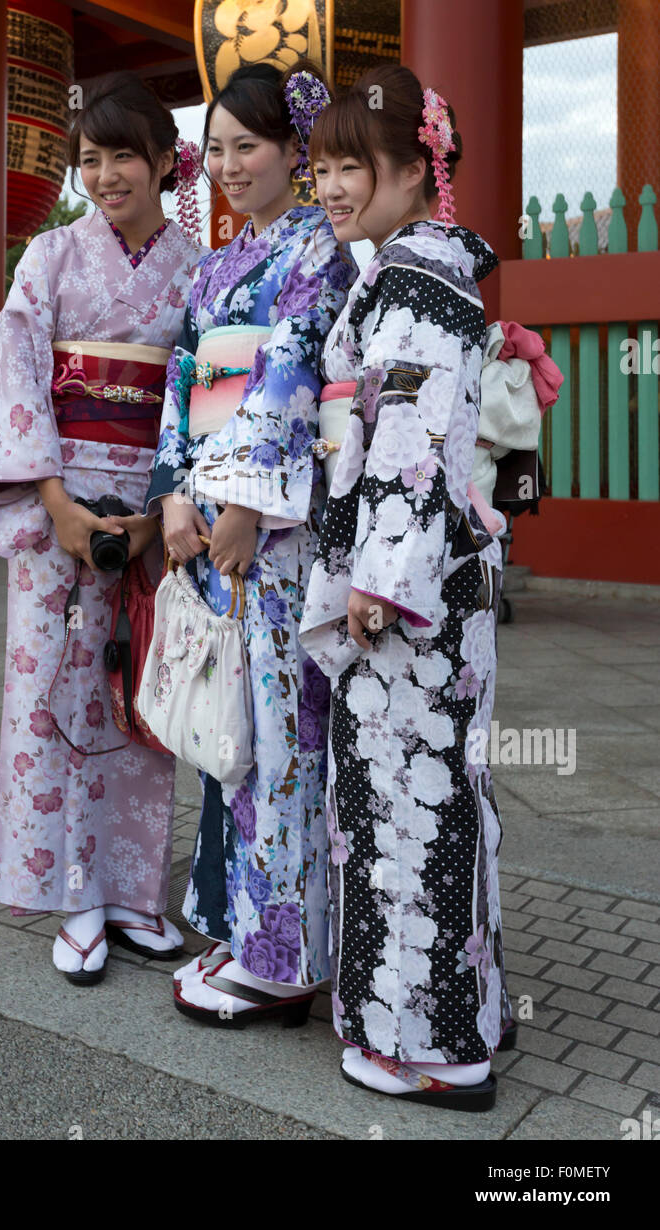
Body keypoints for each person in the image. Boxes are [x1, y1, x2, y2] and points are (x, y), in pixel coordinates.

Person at [299, 64, 513, 1109]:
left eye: (350, 164)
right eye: (323, 165)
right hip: (425, 581)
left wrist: (375, 580)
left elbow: (408, 441)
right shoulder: (411, 270)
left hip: (406, 593)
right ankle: (448, 1015)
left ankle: (433, 1046)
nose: (330, 185)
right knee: (416, 802)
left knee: (405, 810)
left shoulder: (418, 281)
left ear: (415, 167)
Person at [0, 72, 206, 985]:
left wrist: (161, 510)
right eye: (90, 159)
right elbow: (18, 379)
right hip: (60, 513)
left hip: (155, 515)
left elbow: (201, 398)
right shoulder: (50, 259)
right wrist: (59, 507)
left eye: (124, 156)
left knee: (141, 704)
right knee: (58, 703)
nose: (106, 175)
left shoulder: (197, 269)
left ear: (163, 161)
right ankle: (77, 895)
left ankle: (134, 891)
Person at [147, 61, 357, 1027]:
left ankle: (282, 964)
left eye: (251, 146)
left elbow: (294, 382)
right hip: (215, 518)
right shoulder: (221, 263)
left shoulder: (320, 253)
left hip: (275, 534)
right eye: (218, 149)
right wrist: (175, 497)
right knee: (232, 728)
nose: (230, 166)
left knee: (282, 737)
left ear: (296, 151)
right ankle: (249, 923)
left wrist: (247, 504)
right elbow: (188, 377)